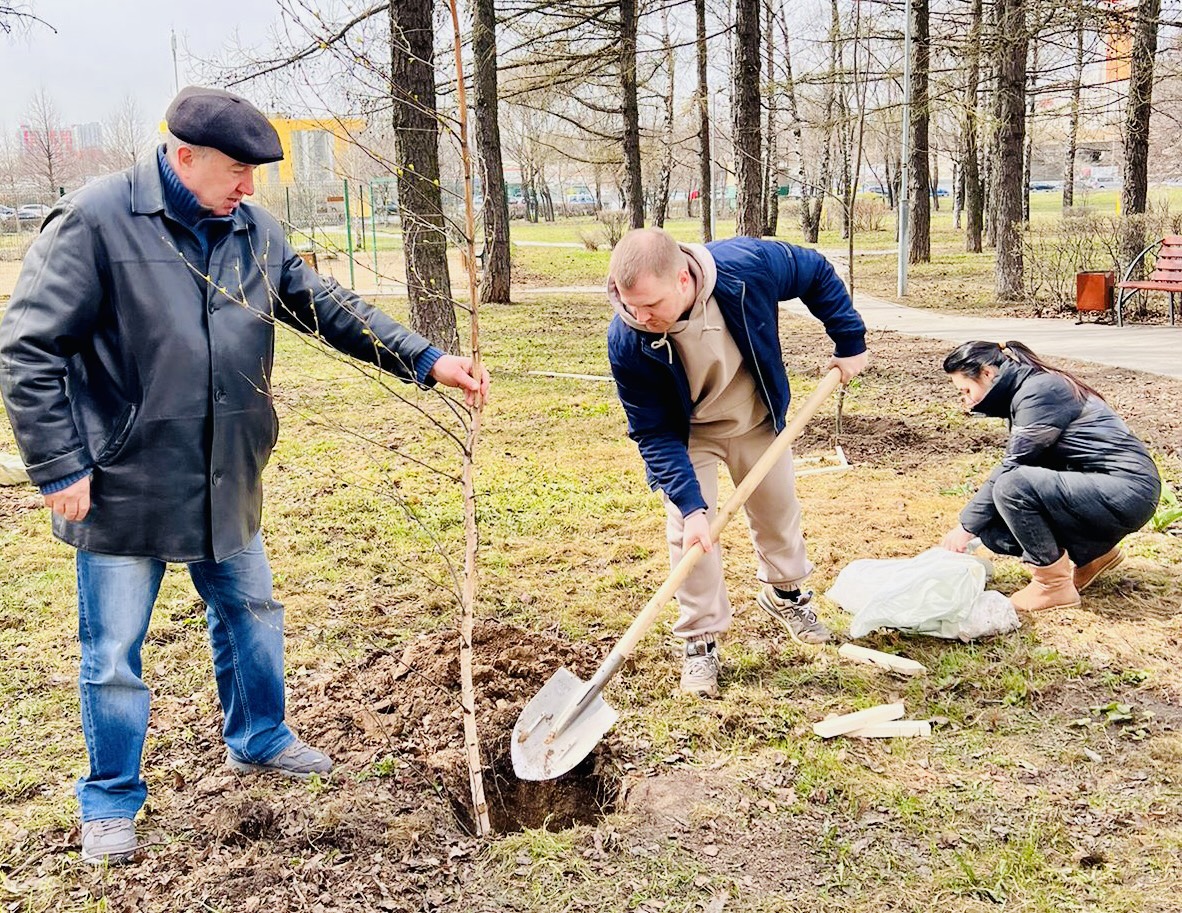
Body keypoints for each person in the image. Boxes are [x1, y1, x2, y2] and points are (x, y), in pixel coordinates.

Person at [0, 86, 489, 866]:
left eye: (257, 174)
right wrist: (59, 463)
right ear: (181, 156)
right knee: (115, 652)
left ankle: (259, 737)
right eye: (237, 170)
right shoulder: (96, 221)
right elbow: (28, 349)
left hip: (225, 473)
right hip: (122, 481)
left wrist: (427, 359)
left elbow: (323, 304)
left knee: (252, 610)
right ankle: (110, 799)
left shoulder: (253, 230)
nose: (250, 188)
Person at [606, 227, 868, 699]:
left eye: (651, 305)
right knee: (692, 539)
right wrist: (691, 508)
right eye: (630, 305)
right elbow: (653, 431)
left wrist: (849, 340)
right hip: (689, 435)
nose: (640, 316)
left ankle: (785, 595)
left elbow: (814, 272)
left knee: (778, 511)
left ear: (684, 280)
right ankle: (700, 640)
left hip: (756, 417)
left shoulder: (745, 268)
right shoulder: (628, 338)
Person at [939, 340, 1159, 612]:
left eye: (966, 390)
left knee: (1012, 486)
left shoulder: (1041, 391)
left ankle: (1053, 586)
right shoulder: (1029, 390)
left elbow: (1013, 468)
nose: (967, 401)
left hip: (1127, 488)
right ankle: (1094, 554)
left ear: (986, 373)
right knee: (992, 530)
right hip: (1102, 486)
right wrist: (975, 526)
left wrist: (964, 528)